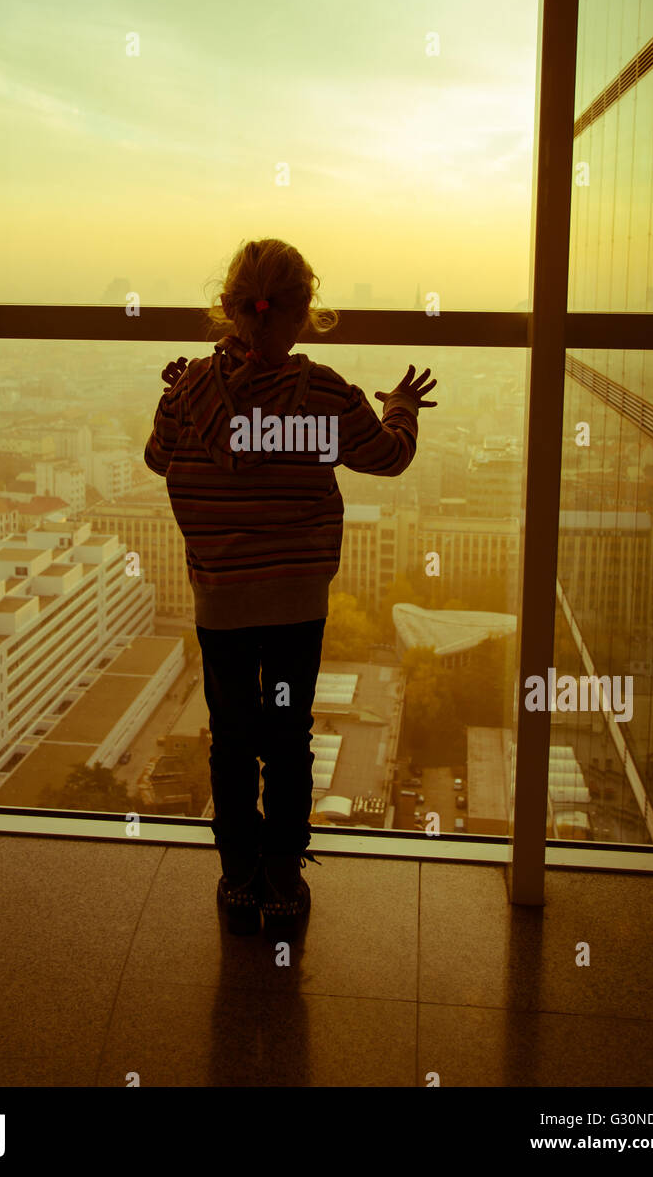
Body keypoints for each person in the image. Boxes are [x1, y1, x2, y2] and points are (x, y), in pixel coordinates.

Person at [144, 238, 437, 938]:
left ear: (229, 308)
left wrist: (177, 394)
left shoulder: (186, 392)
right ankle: (281, 877)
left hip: (221, 600)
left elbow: (159, 459)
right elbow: (389, 458)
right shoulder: (322, 394)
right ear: (304, 313)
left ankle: (236, 875)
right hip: (295, 601)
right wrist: (401, 406)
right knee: (286, 737)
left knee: (230, 738)